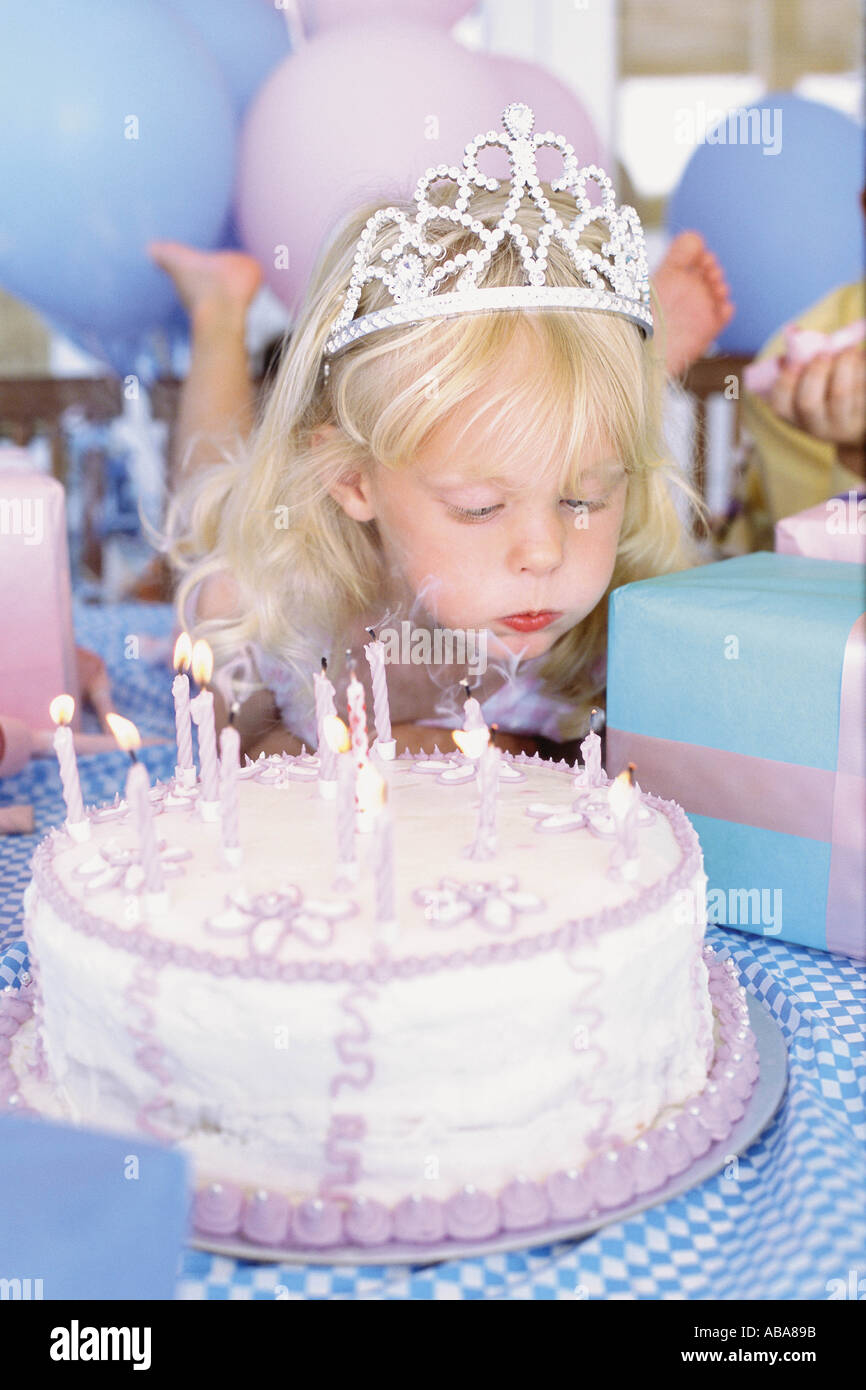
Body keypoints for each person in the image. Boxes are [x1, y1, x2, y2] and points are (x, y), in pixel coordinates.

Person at [155, 116, 731, 765]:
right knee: (211, 506)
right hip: (263, 548)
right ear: (354, 481)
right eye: (480, 507)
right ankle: (218, 312)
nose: (544, 554)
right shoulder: (275, 609)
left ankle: (642, 367)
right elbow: (247, 751)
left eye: (586, 498)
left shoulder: (619, 640)